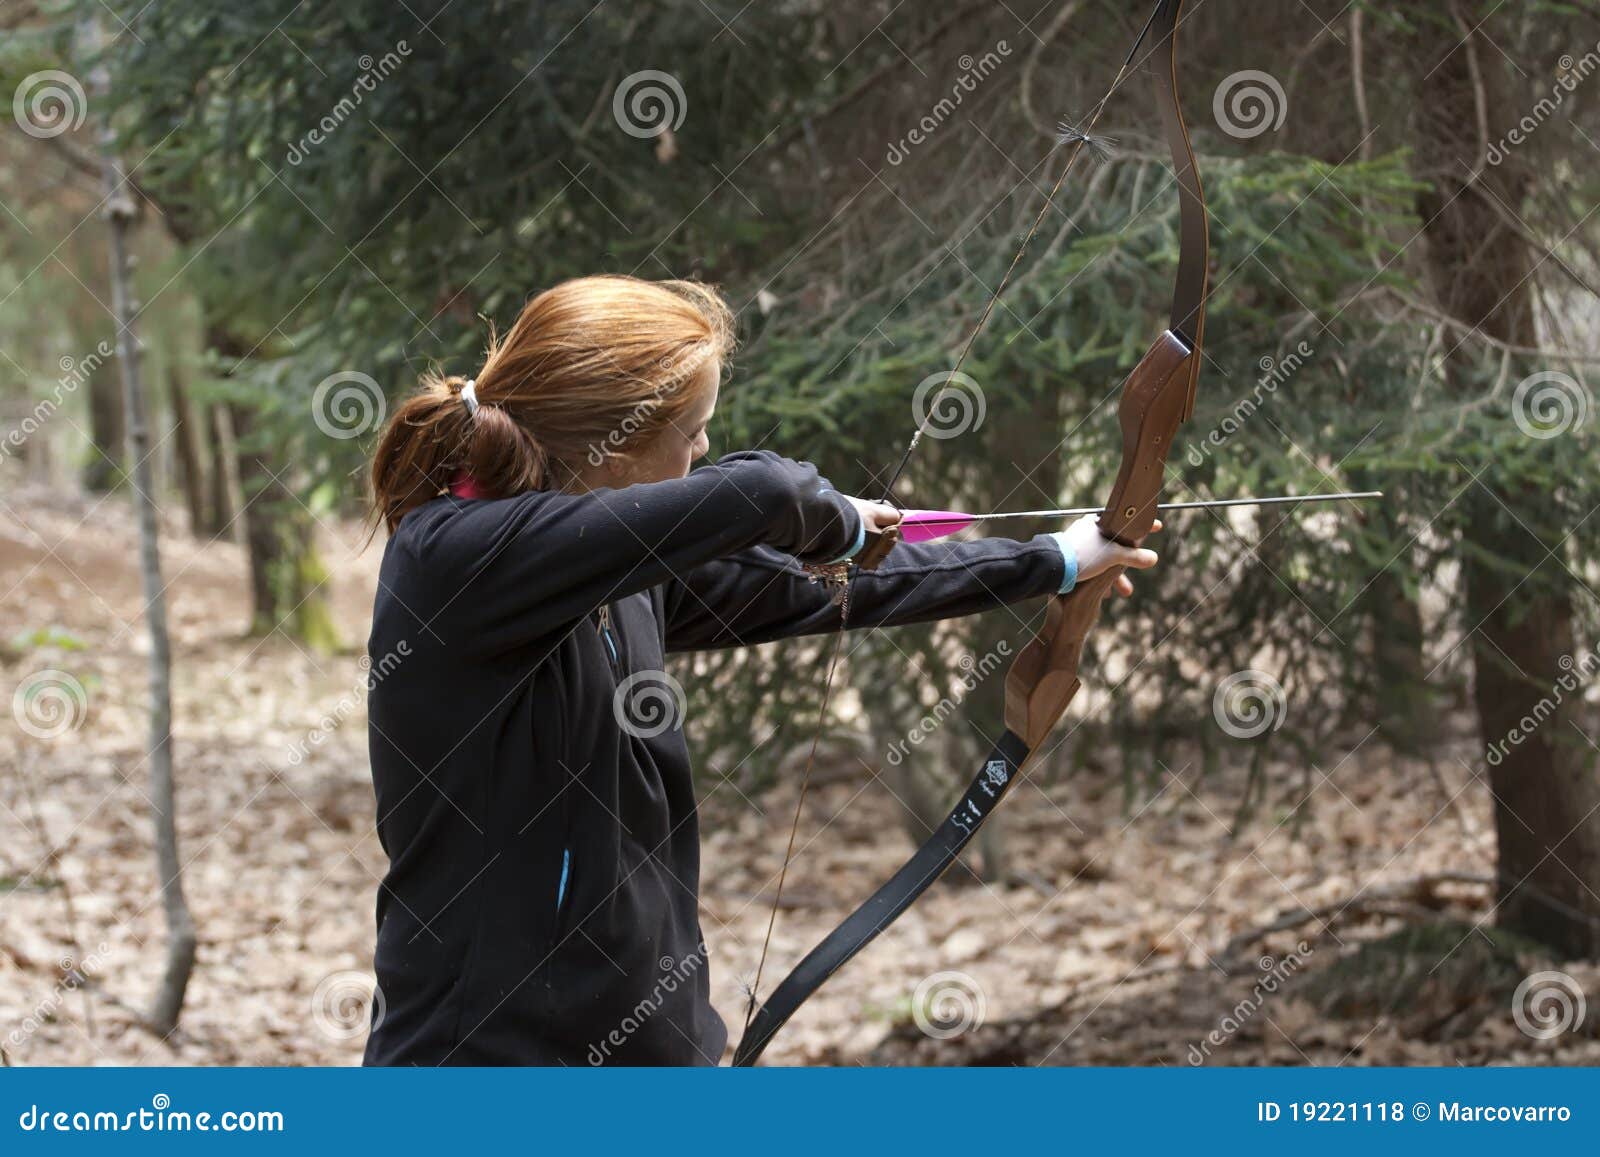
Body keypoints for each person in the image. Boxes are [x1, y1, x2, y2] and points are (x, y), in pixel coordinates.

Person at [361, 274, 1157, 1065]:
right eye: (694, 427)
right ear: (616, 437)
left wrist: (1053, 561)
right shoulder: (452, 562)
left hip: (656, 1045)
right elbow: (766, 493)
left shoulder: (623, 577)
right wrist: (833, 517)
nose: (703, 447)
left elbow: (831, 588)